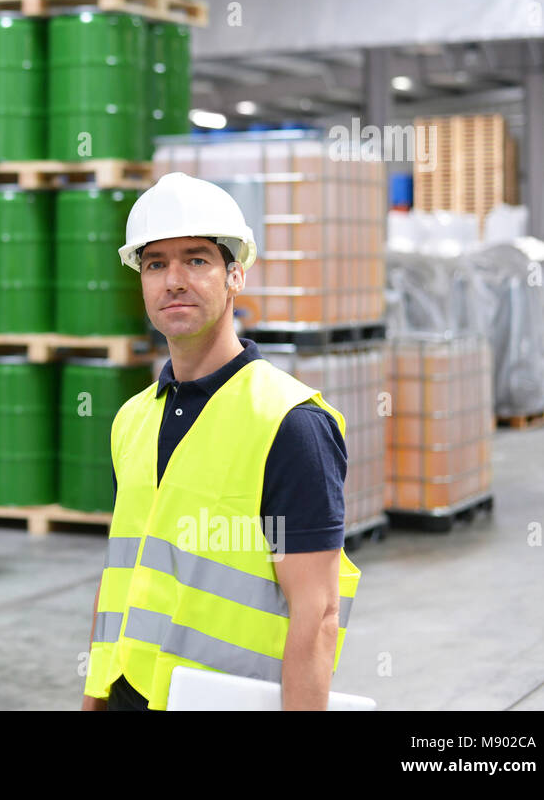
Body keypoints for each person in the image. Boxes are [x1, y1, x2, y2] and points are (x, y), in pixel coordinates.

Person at [82, 172, 361, 711]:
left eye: (197, 260)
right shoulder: (132, 420)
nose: (174, 280)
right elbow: (121, 577)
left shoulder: (290, 424)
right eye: (156, 264)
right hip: (129, 695)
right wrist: (95, 697)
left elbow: (318, 614)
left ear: (236, 275)